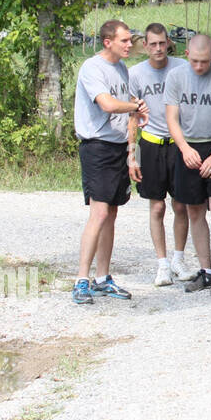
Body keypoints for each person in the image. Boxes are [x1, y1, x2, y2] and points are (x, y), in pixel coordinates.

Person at [72, 20, 148, 305]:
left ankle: (103, 278)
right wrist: (136, 106)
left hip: (118, 148)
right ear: (108, 42)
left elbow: (131, 117)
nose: (130, 45)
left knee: (112, 214)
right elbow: (107, 104)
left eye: (130, 40)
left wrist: (132, 155)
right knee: (99, 213)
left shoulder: (121, 69)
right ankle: (81, 280)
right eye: (125, 40)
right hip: (97, 147)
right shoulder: (92, 68)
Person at [165, 34, 211, 296]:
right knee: (194, 209)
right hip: (189, 146)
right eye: (195, 61)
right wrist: (184, 149)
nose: (200, 66)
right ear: (187, 55)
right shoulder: (175, 77)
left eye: (205, 61)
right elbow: (171, 118)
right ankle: (205, 270)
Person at [127, 22, 192, 285]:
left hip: (179, 143)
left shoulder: (181, 68)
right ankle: (162, 264)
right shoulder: (136, 74)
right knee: (156, 207)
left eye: (162, 43)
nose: (157, 48)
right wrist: (131, 154)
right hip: (151, 143)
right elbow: (131, 116)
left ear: (168, 43)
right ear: (145, 45)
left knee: (181, 204)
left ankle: (179, 258)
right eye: (152, 44)